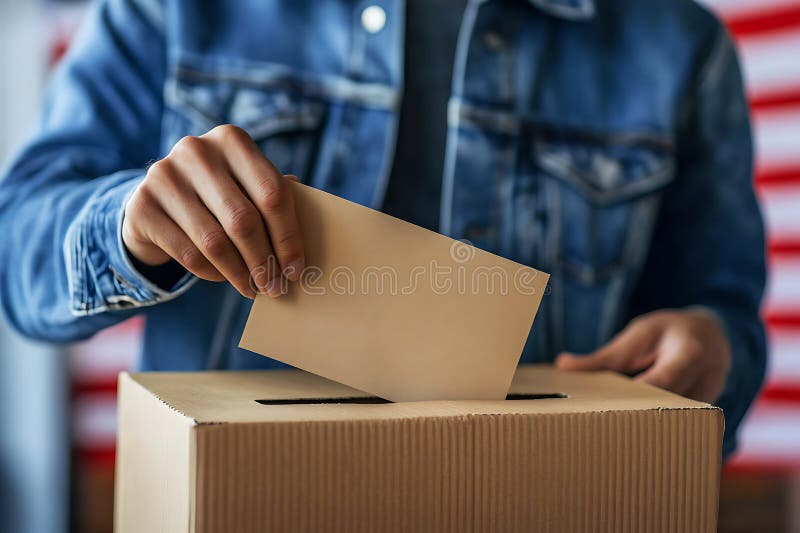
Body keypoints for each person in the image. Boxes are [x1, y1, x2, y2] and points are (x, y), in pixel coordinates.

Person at [0, 0, 765, 458]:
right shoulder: (173, 8)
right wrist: (130, 226)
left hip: (543, 502)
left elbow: (722, 308)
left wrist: (712, 351)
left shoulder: (678, 46)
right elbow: (17, 253)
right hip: (237, 500)